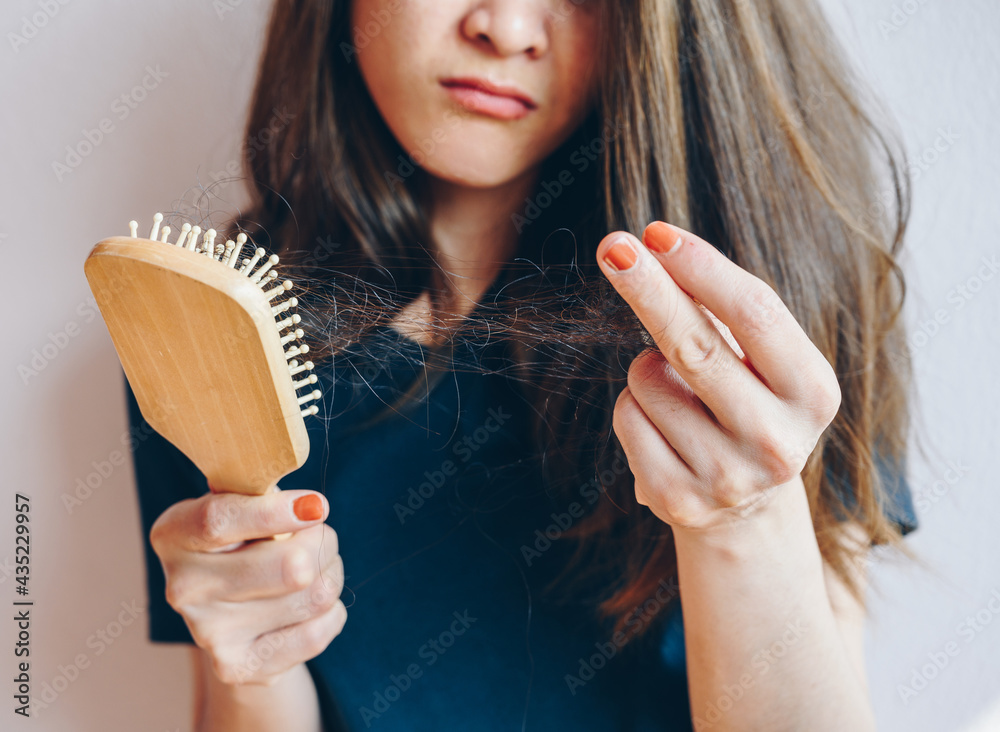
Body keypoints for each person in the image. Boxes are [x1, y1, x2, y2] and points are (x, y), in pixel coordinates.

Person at [129, 1, 920, 730]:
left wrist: (746, 521)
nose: (506, 28)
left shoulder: (781, 325)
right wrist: (252, 662)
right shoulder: (208, 324)